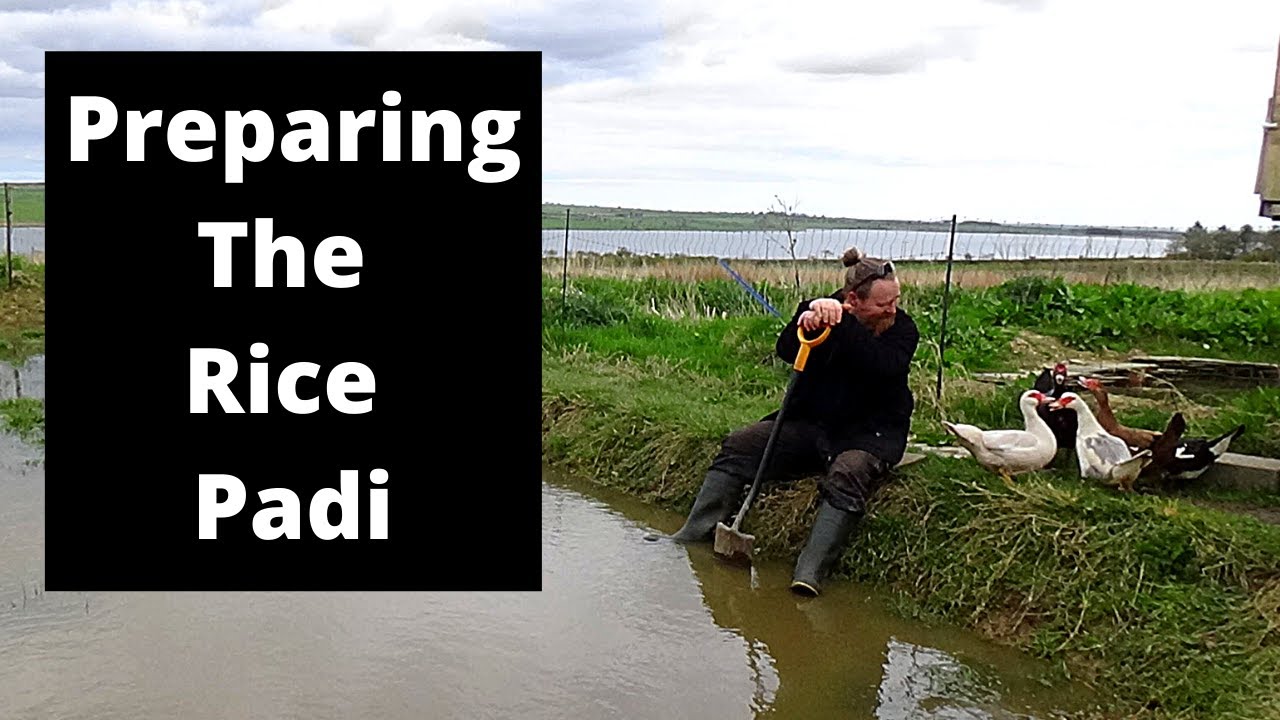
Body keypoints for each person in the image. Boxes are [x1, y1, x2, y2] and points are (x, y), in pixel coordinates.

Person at [670, 247, 920, 597]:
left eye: (895, 300)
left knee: (848, 472)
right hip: (811, 424)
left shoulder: (903, 330)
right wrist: (808, 316)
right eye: (883, 304)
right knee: (742, 444)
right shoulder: (819, 312)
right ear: (853, 299)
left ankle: (810, 570)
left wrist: (843, 324)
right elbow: (787, 350)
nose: (892, 309)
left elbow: (882, 365)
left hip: (871, 433)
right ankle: (695, 531)